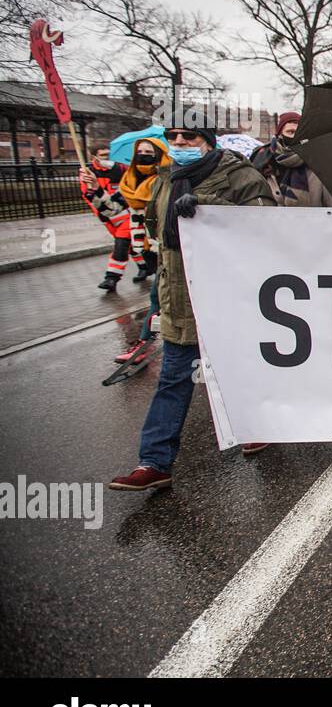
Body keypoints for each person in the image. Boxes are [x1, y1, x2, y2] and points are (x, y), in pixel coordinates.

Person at [108, 124, 276, 491]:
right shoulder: (166, 179)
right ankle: (153, 461)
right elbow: (155, 226)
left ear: (208, 142)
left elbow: (267, 226)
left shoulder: (241, 176)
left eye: (190, 137)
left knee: (243, 367)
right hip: (179, 298)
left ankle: (257, 425)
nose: (181, 144)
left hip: (230, 295)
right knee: (173, 379)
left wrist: (212, 208)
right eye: (174, 138)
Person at [113, 136, 170, 364]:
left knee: (157, 296)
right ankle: (145, 344)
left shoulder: (166, 180)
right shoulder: (128, 182)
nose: (144, 155)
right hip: (146, 249)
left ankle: (143, 344)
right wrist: (93, 190)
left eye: (149, 151)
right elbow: (111, 210)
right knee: (159, 297)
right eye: (141, 151)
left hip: (168, 248)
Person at [79, 143, 142, 292]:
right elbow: (88, 196)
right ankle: (145, 267)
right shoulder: (89, 173)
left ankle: (111, 278)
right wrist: (92, 188)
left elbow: (131, 182)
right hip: (108, 215)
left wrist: (114, 168)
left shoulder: (120, 169)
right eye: (103, 155)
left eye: (108, 155)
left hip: (127, 213)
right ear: (93, 157)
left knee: (121, 243)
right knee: (131, 244)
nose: (106, 158)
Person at [251, 111, 332, 207]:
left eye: (299, 132)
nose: (295, 137)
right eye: (290, 132)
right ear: (280, 134)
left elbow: (331, 207)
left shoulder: (318, 163)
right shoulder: (262, 162)